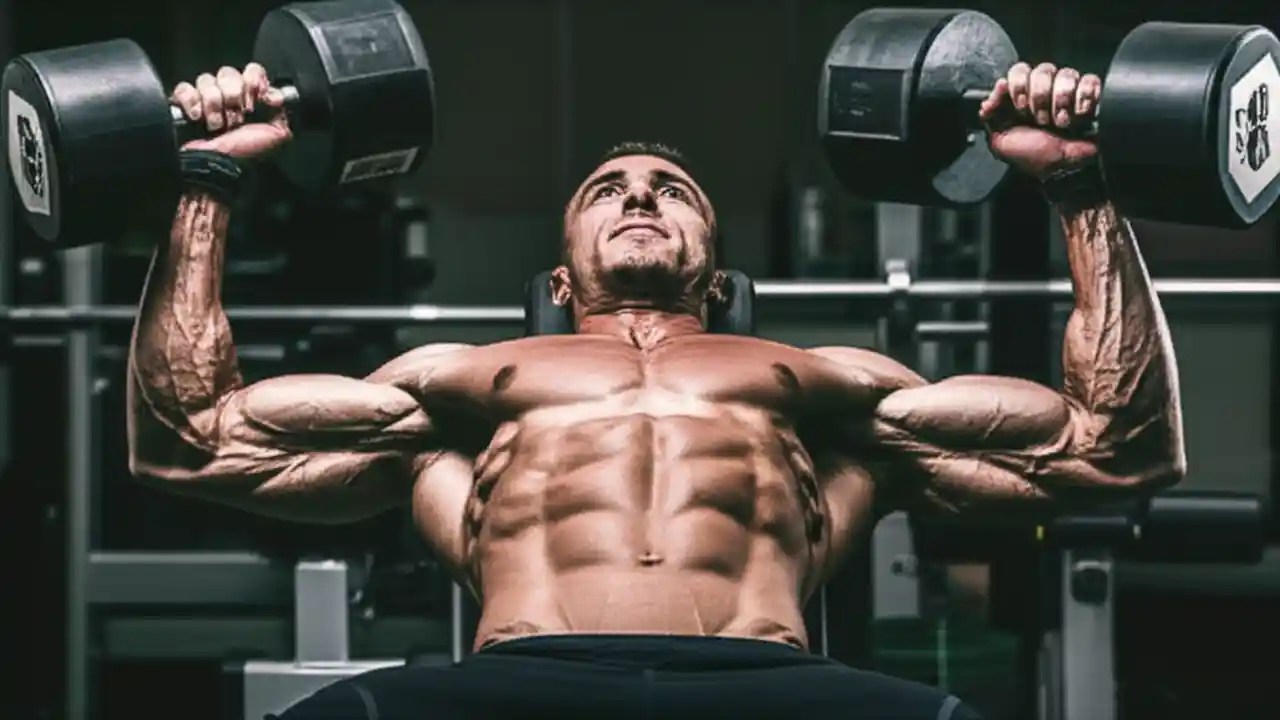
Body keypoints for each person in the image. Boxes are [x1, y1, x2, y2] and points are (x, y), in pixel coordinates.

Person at [128, 60, 1184, 720]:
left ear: (717, 279)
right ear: (556, 277)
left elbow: (1114, 446)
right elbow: (190, 439)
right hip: (520, 678)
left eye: (669, 192)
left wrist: (1079, 184)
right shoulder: (461, 386)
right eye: (608, 191)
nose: (638, 194)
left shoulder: (823, 391)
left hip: (762, 684)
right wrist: (208, 179)